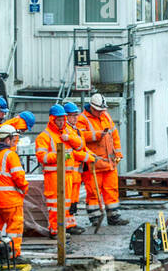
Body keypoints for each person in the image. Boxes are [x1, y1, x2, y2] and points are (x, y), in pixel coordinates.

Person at [38, 105, 92, 235]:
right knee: (55, 205)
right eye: (59, 120)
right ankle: (56, 230)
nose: (62, 123)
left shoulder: (66, 133)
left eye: (63, 120)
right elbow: (42, 157)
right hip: (54, 176)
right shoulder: (44, 136)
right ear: (52, 120)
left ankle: (63, 228)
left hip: (67, 174)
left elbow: (79, 145)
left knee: (66, 205)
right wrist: (59, 155)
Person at [0, 124, 29, 261]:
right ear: (7, 139)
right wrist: (24, 188)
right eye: (13, 138)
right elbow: (19, 177)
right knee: (14, 228)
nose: (15, 141)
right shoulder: (10, 155)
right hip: (10, 201)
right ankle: (13, 255)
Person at [78, 93, 126, 225]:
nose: (100, 113)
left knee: (112, 189)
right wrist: (97, 135)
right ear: (92, 108)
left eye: (102, 110)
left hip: (109, 163)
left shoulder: (105, 116)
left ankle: (114, 216)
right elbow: (80, 137)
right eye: (98, 111)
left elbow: (114, 136)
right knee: (93, 192)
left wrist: (118, 154)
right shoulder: (82, 119)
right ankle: (95, 218)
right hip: (94, 164)